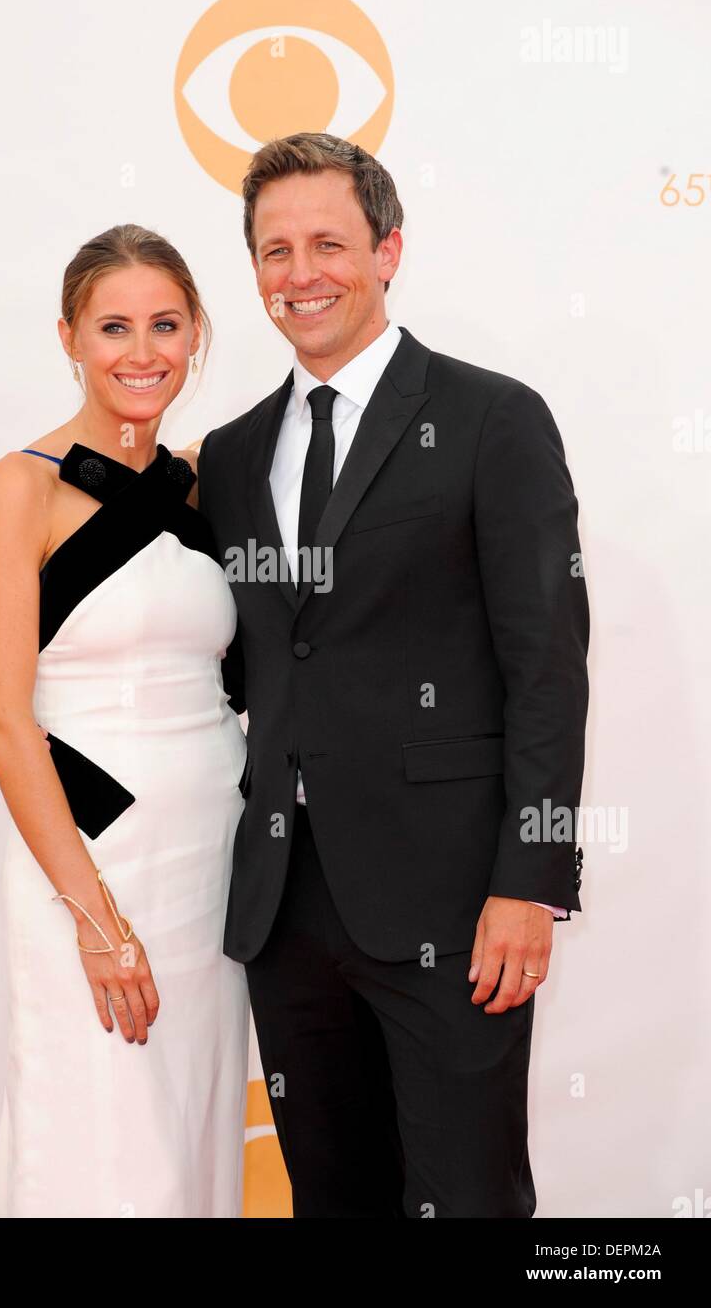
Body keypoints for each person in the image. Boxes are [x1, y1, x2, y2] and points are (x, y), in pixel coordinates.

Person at [197, 132, 589, 1218]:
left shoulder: (489, 419)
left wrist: (531, 879)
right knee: (331, 1197)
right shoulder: (230, 456)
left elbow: (548, 666)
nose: (300, 272)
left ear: (388, 250)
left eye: (328, 242)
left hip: (458, 899)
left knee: (468, 1199)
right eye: (275, 250)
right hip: (285, 907)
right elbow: (248, 660)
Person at [0, 225, 249, 1217]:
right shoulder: (21, 486)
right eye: (114, 326)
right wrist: (96, 922)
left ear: (197, 335)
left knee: (187, 1141)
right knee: (96, 1142)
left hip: (211, 861)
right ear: (68, 337)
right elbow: (3, 721)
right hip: (90, 861)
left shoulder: (206, 481)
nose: (143, 351)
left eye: (166, 324)